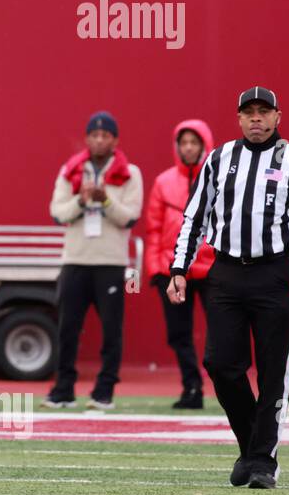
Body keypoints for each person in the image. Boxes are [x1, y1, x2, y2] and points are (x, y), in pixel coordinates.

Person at [169, 86, 289, 489]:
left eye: (264, 112)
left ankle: (263, 462)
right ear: (239, 118)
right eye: (249, 113)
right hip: (226, 273)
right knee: (221, 364)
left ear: (278, 117)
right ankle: (251, 444)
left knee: (275, 372)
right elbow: (195, 217)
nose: (256, 119)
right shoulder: (219, 159)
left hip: (274, 276)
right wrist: (179, 269)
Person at [45, 111, 143, 410]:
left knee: (111, 330)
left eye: (106, 135)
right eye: (94, 135)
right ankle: (63, 390)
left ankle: (104, 391)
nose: (100, 140)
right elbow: (57, 212)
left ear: (115, 140)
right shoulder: (72, 169)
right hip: (75, 259)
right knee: (68, 328)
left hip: (110, 262)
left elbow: (130, 217)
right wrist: (81, 201)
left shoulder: (130, 172)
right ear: (87, 138)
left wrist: (106, 201)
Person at [144, 119, 215, 409]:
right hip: (172, 270)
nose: (188, 148)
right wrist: (154, 269)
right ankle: (192, 387)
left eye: (193, 142)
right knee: (179, 333)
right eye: (183, 142)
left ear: (204, 145)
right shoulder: (163, 182)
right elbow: (153, 229)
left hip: (212, 269)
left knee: (222, 331)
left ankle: (224, 385)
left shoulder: (218, 179)